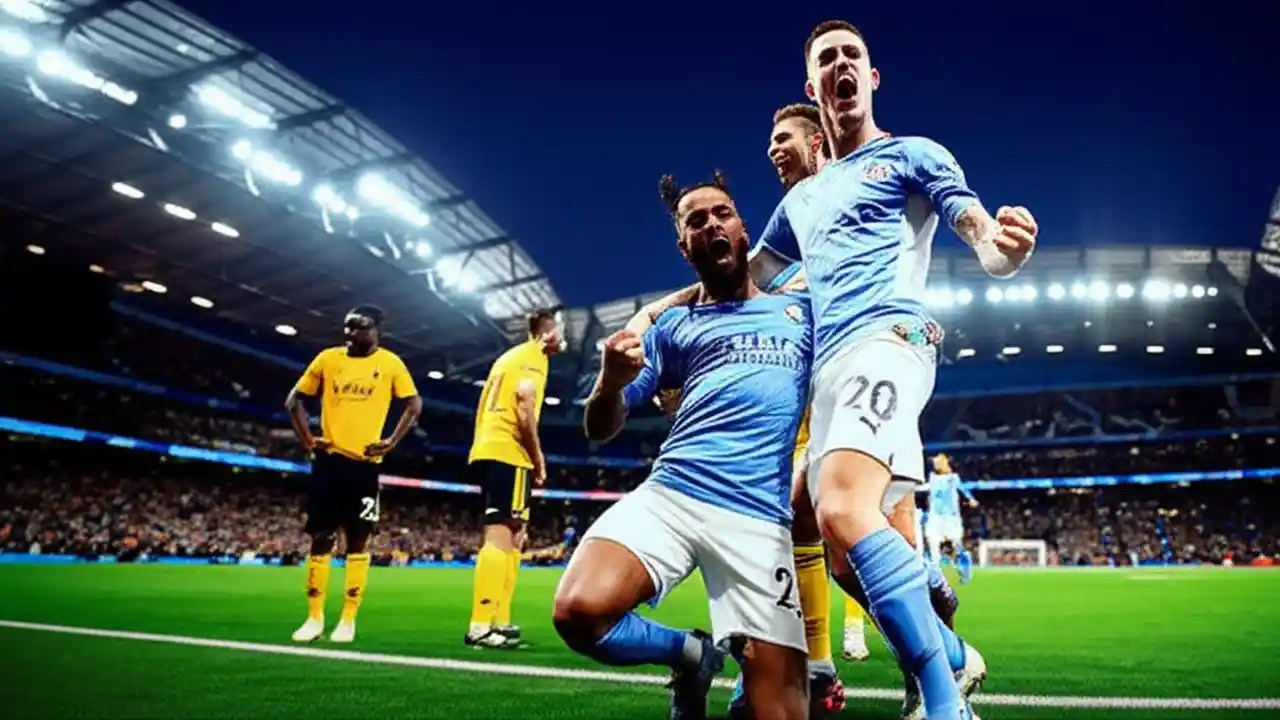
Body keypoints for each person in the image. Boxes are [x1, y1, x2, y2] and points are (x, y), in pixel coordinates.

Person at [750, 20, 1039, 720]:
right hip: (827, 378)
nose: (842, 65)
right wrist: (660, 325)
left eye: (854, 55)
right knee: (799, 517)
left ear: (872, 78)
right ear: (812, 86)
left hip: (888, 340)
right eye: (828, 59)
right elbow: (743, 286)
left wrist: (1005, 251)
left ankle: (946, 702)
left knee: (846, 508)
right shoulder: (800, 204)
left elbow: (980, 237)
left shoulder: (913, 155)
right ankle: (950, 648)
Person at [555, 171, 811, 720]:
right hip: (673, 495)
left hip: (758, 519)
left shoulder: (801, 316)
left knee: (784, 711)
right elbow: (601, 428)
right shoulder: (672, 328)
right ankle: (690, 654)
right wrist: (609, 380)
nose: (711, 224)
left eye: (721, 213)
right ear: (684, 245)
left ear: (744, 229)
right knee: (578, 611)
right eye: (696, 220)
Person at [286, 305, 422, 644]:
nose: (350, 334)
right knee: (321, 536)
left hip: (364, 466)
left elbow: (414, 404)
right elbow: (293, 401)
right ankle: (314, 617)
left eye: (359, 327)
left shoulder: (390, 364)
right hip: (329, 462)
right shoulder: (328, 359)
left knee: (358, 540)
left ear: (377, 329)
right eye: (347, 327)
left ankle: (348, 619)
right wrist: (307, 441)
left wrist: (390, 442)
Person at [465, 310, 563, 649]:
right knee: (501, 535)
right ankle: (480, 625)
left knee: (516, 535)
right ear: (547, 331)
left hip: (489, 447)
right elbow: (524, 406)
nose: (563, 338)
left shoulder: (512, 357)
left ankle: (500, 620)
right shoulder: (533, 357)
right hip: (510, 451)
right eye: (561, 330)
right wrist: (538, 459)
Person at [922, 454, 978, 584]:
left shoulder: (953, 478)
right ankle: (935, 577)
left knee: (956, 546)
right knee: (933, 544)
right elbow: (925, 488)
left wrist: (971, 499)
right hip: (935, 517)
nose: (935, 464)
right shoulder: (932, 478)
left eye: (938, 461)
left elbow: (962, 488)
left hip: (950, 518)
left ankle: (964, 569)